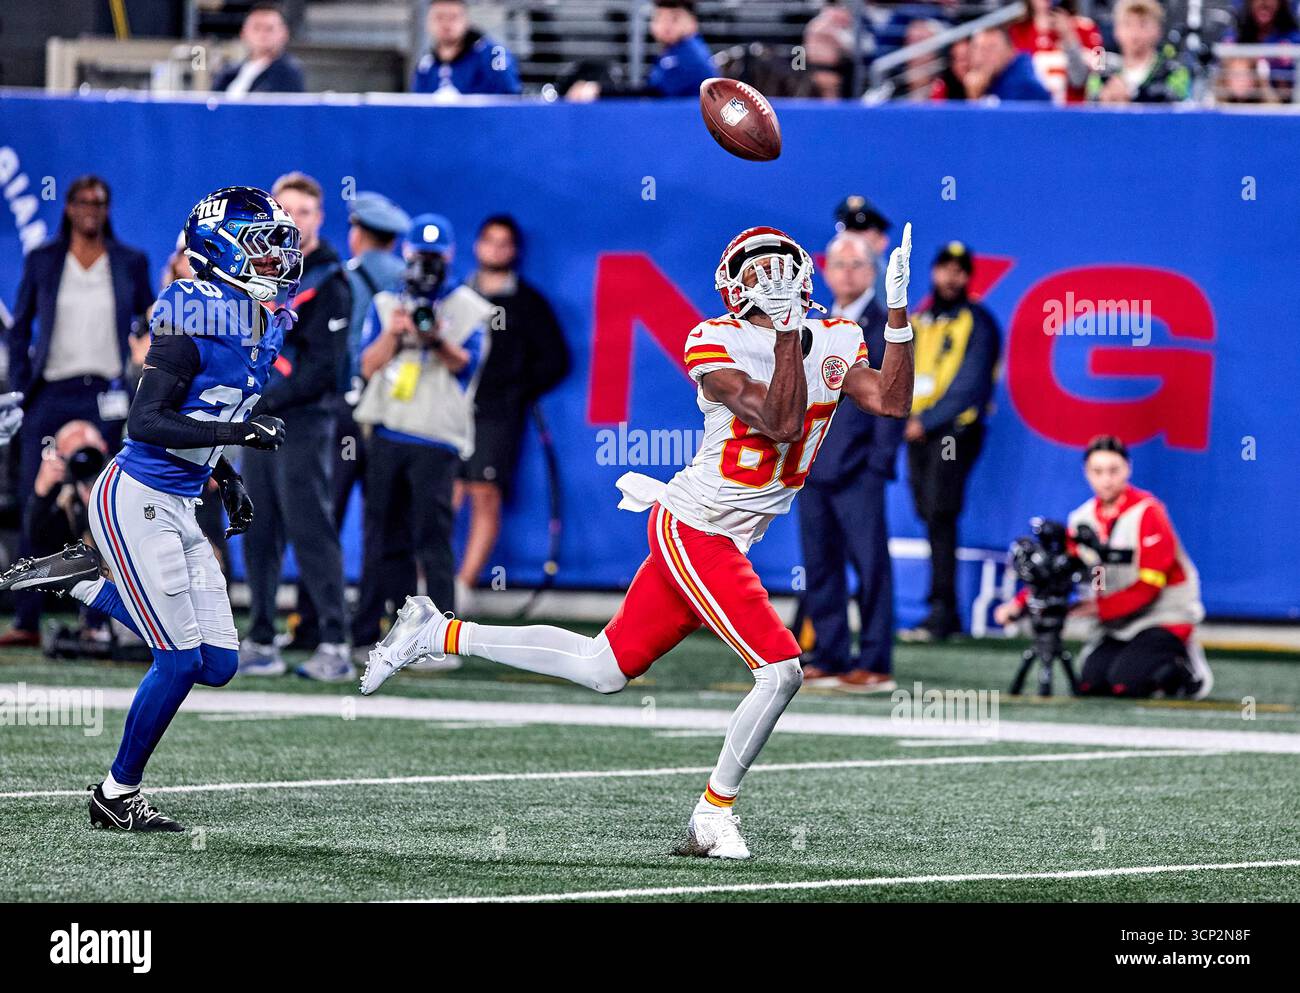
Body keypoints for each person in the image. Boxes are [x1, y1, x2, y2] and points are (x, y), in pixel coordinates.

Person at [361, 223, 917, 860]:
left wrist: (898, 316)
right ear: (736, 286)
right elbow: (783, 422)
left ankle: (434, 632)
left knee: (603, 669)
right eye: (761, 271)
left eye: (781, 268)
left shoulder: (835, 336)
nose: (773, 281)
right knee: (782, 668)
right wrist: (789, 330)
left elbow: (892, 400)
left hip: (729, 534)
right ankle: (713, 814)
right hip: (696, 525)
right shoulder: (715, 340)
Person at [0, 186, 299, 831]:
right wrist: (238, 439)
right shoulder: (189, 320)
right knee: (179, 660)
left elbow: (213, 411)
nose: (276, 258)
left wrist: (225, 477)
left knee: (219, 663)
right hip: (136, 496)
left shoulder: (252, 322)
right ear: (220, 249)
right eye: (262, 245)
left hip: (182, 500)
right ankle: (116, 793)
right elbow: (147, 420)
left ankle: (83, 581)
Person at [4, 174, 153, 648]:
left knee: (104, 509)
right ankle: (27, 618)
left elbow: (150, 319)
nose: (92, 208)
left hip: (106, 396)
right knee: (38, 496)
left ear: (107, 209)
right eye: (83, 201)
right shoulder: (44, 259)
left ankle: (97, 619)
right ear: (67, 207)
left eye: (100, 202)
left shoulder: (130, 261)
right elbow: (20, 325)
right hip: (51, 394)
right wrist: (24, 385)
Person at [351, 214, 491, 653]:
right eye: (419, 255)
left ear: (449, 256)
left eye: (434, 256)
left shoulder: (470, 306)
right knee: (387, 536)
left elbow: (465, 366)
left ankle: (442, 637)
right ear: (406, 253)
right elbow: (366, 365)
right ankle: (401, 629)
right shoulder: (385, 303)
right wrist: (395, 334)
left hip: (437, 437)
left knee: (432, 539)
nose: (426, 265)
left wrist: (433, 337)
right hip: (390, 431)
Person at [238, 172, 351, 681]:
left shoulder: (331, 279)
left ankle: (335, 642)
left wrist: (264, 394)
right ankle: (261, 638)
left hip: (304, 421)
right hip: (257, 419)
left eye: (305, 213)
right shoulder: (255, 274)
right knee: (258, 529)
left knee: (311, 529)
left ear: (319, 219)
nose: (296, 222)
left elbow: (323, 369)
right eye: (287, 212)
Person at [994, 436, 1211, 699]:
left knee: (1126, 684)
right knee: (1091, 685)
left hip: (1163, 617)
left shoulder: (1149, 513)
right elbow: (1060, 571)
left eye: (1113, 470)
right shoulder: (1082, 518)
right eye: (1098, 471)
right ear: (1087, 473)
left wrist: (1097, 608)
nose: (1106, 479)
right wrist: (1020, 604)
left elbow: (1149, 588)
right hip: (1116, 624)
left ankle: (1184, 668)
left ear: (1127, 469)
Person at [286, 192, 411, 652]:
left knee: (320, 519)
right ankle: (368, 627)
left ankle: (314, 624)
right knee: (383, 526)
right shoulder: (409, 279)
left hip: (343, 412)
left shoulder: (349, 277)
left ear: (357, 232)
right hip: (396, 422)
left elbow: (349, 352)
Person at [798, 234, 905, 692]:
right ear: (825, 271)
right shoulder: (814, 326)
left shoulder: (883, 325)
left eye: (855, 264)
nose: (845, 271)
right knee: (820, 564)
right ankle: (829, 652)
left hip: (859, 469)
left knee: (870, 566)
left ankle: (876, 660)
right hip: (811, 465)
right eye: (837, 263)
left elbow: (897, 396)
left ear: (871, 271)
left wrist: (879, 465)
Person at [456, 215, 570, 612]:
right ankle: (424, 584)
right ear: (477, 245)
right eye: (490, 241)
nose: (496, 250)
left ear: (515, 250)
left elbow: (556, 359)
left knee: (484, 493)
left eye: (505, 243)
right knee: (441, 493)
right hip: (449, 411)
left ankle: (460, 587)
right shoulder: (456, 297)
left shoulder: (527, 302)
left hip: (496, 415)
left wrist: (513, 392)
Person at [900, 241, 1000, 643]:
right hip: (916, 430)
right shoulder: (920, 320)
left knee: (941, 513)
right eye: (945, 268)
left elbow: (971, 385)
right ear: (934, 271)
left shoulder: (978, 321)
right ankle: (944, 611)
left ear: (968, 276)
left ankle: (942, 612)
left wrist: (925, 421)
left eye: (960, 270)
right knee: (928, 513)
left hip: (952, 433)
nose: (951, 276)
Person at [1088, 0, 1191, 103]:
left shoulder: (1174, 71)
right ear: (1116, 30)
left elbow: (1178, 107)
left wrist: (1132, 96)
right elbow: (1088, 107)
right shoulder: (1102, 73)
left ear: (1158, 30)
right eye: (1127, 24)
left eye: (1143, 24)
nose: (1134, 33)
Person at [412, 0, 521, 97]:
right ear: (428, 22)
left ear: (466, 21)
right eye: (439, 17)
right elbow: (418, 109)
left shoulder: (494, 56)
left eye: (453, 17)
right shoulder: (425, 66)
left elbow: (510, 101)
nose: (446, 24)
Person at [1008, 0, 1103, 103]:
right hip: (1030, 111)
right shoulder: (1015, 31)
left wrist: (1069, 37)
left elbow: (1086, 80)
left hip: (1073, 112)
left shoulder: (1087, 29)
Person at [212, 2, 305, 96]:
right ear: (243, 33)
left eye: (269, 29)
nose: (262, 34)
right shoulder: (228, 72)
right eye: (256, 28)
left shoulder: (288, 73)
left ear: (284, 33)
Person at [964, 26, 1054, 101]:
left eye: (991, 48)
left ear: (1010, 50)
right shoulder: (988, 77)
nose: (984, 56)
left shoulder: (1023, 83)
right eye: (979, 48)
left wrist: (975, 97)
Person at [834, 195, 890, 301]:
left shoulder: (890, 286)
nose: (852, 238)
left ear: (882, 241)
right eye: (849, 229)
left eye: (861, 230)